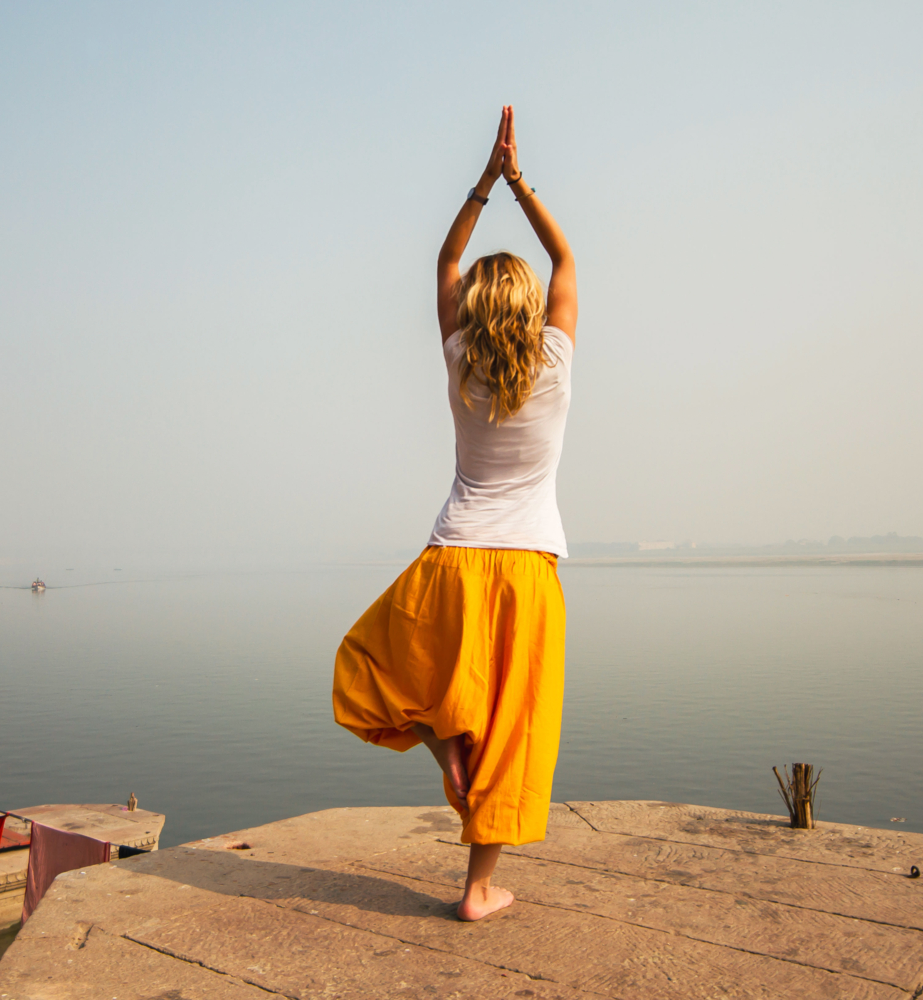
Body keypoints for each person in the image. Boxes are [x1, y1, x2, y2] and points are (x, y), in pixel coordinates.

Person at [333, 105, 578, 922]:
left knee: (366, 664)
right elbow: (568, 256)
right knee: (510, 729)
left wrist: (484, 183)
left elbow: (444, 257)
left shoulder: (458, 358)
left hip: (454, 561)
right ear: (532, 307)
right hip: (528, 571)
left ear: (476, 306)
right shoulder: (555, 362)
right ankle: (479, 888)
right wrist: (523, 181)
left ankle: (444, 743)